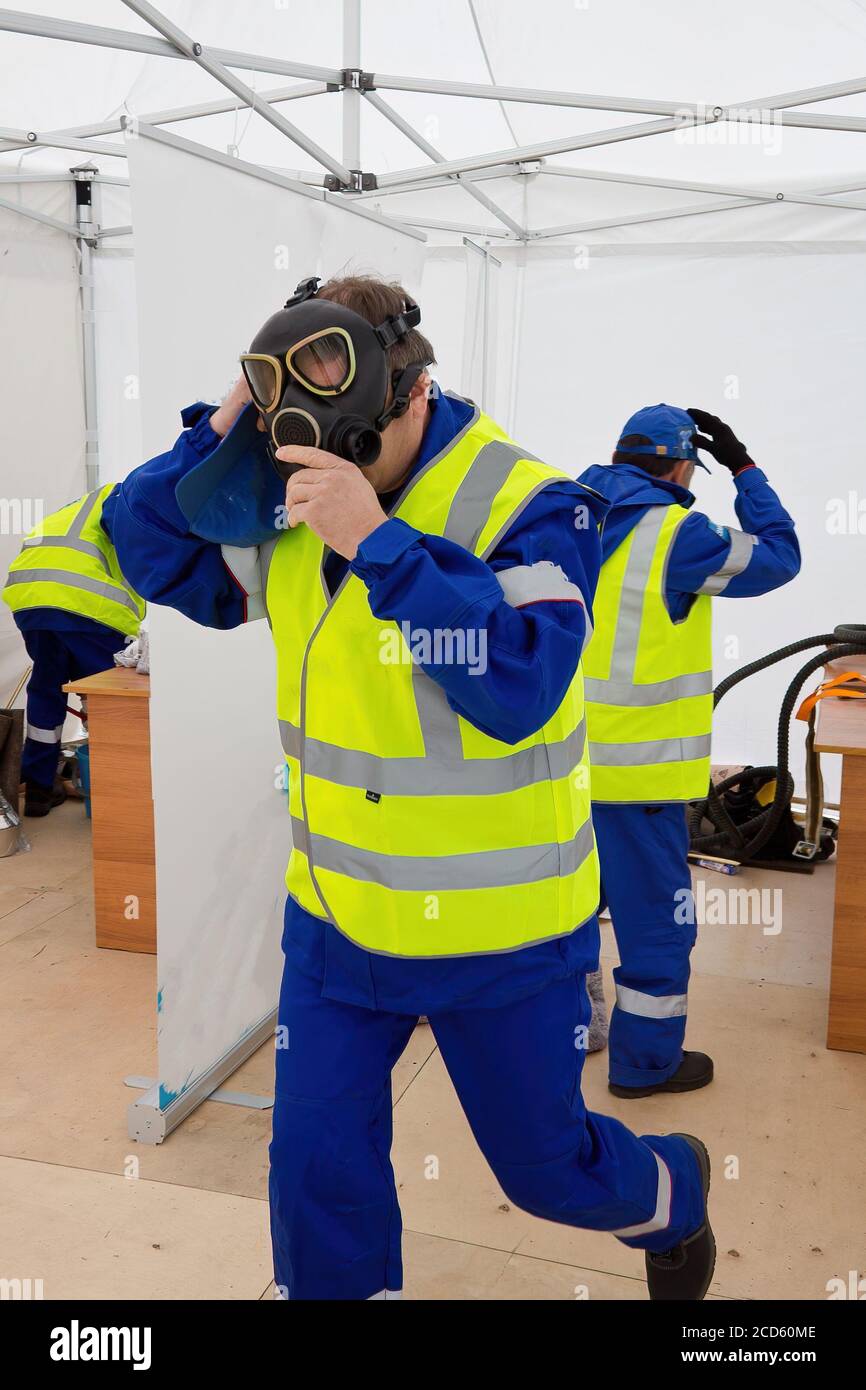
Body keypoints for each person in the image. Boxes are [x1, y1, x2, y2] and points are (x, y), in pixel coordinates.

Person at [105, 277, 714, 1301]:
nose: (319, 466)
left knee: (544, 1171)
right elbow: (149, 543)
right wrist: (217, 429)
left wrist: (376, 542)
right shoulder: (294, 487)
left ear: (412, 388)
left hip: (501, 934)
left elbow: (519, 682)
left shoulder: (530, 501)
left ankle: (669, 1192)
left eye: (352, 440)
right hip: (338, 923)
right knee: (313, 1173)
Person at [579, 404, 800, 1099]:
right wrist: (744, 466)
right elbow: (780, 556)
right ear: (680, 467)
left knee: (565, 911)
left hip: (554, 773)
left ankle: (569, 1034)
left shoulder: (562, 513)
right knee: (656, 931)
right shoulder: (679, 535)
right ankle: (645, 1067)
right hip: (638, 781)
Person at [2, 485, 145, 815]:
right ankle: (119, 790)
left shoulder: (72, 510)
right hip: (85, 603)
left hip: (30, 601)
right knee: (113, 699)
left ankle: (38, 788)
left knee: (47, 688)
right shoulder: (127, 494)